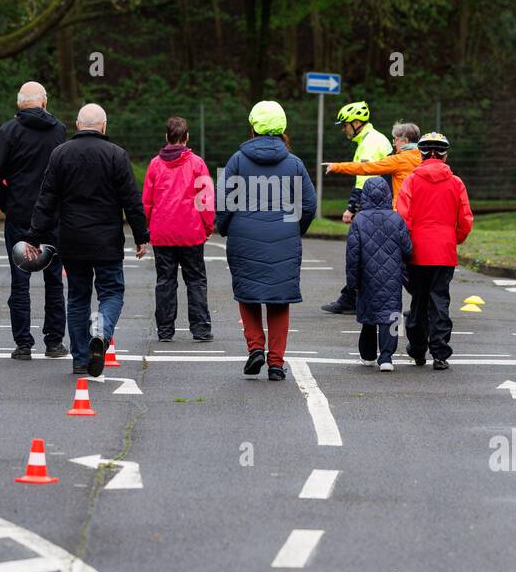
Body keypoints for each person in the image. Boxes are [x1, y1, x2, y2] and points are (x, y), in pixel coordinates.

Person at [25, 104, 149, 377]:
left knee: (78, 298)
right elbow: (131, 199)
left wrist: (34, 235)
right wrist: (141, 236)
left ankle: (80, 358)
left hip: (71, 238)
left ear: (78, 125)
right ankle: (102, 334)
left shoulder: (60, 154)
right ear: (104, 126)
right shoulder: (116, 155)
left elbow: (46, 199)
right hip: (106, 240)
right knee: (112, 293)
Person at [217, 101, 317, 382]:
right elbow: (308, 205)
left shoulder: (237, 160)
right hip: (284, 236)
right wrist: (296, 229)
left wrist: (225, 228)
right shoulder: (294, 163)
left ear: (253, 127)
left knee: (246, 294)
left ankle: (255, 348)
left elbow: (223, 202)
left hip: (243, 235)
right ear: (283, 128)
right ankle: (276, 363)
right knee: (279, 300)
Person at [0, 81, 69, 361]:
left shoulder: (9, 131)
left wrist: (6, 201)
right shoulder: (58, 130)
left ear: (19, 103)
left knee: (19, 280)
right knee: (54, 279)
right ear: (44, 102)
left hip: (20, 212)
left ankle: (23, 343)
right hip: (52, 214)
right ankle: (54, 342)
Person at [395, 132, 472, 370]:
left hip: (418, 250)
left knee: (418, 299)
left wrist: (407, 246)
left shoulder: (411, 181)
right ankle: (440, 352)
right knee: (440, 300)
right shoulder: (456, 182)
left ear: (421, 154)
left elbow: (402, 217)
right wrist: (453, 239)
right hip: (444, 250)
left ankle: (417, 350)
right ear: (445, 155)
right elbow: (465, 219)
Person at [142, 116, 215, 342]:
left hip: (162, 232)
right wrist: (208, 225)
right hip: (191, 232)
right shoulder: (197, 163)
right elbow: (205, 199)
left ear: (167, 137)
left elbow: (147, 201)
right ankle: (201, 329)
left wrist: (145, 228)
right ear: (187, 137)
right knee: (195, 280)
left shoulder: (155, 164)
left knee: (165, 280)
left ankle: (165, 330)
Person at [321, 101, 392, 315]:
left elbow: (365, 180)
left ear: (356, 122)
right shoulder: (372, 139)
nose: (343, 129)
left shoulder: (370, 143)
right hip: (382, 205)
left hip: (376, 206)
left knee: (364, 253)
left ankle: (351, 299)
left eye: (345, 125)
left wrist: (352, 207)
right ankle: (352, 297)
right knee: (369, 253)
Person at [344, 176, 412, 372]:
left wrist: (352, 282)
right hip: (392, 276)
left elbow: (352, 255)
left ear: (364, 195)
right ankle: (387, 357)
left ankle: (368, 355)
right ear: (388, 195)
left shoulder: (359, 221)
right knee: (391, 314)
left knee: (368, 315)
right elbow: (407, 249)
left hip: (366, 276)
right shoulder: (397, 219)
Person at [323, 121, 423, 203]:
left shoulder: (397, 160)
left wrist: (337, 166)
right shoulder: (427, 158)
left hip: (402, 211)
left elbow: (366, 168)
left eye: (395, 140)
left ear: (405, 141)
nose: (394, 144)